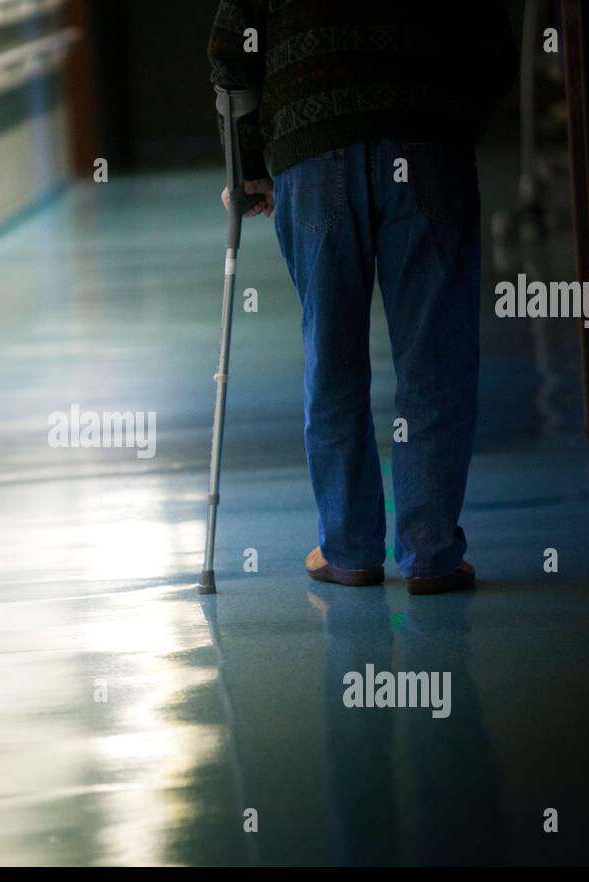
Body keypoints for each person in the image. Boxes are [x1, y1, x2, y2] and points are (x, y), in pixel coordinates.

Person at [208, 0, 517, 595]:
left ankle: (348, 549)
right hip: (426, 144)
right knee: (436, 357)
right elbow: (493, 50)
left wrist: (247, 165)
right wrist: (451, 122)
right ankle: (432, 555)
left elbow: (232, 52)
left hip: (314, 151)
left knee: (332, 355)